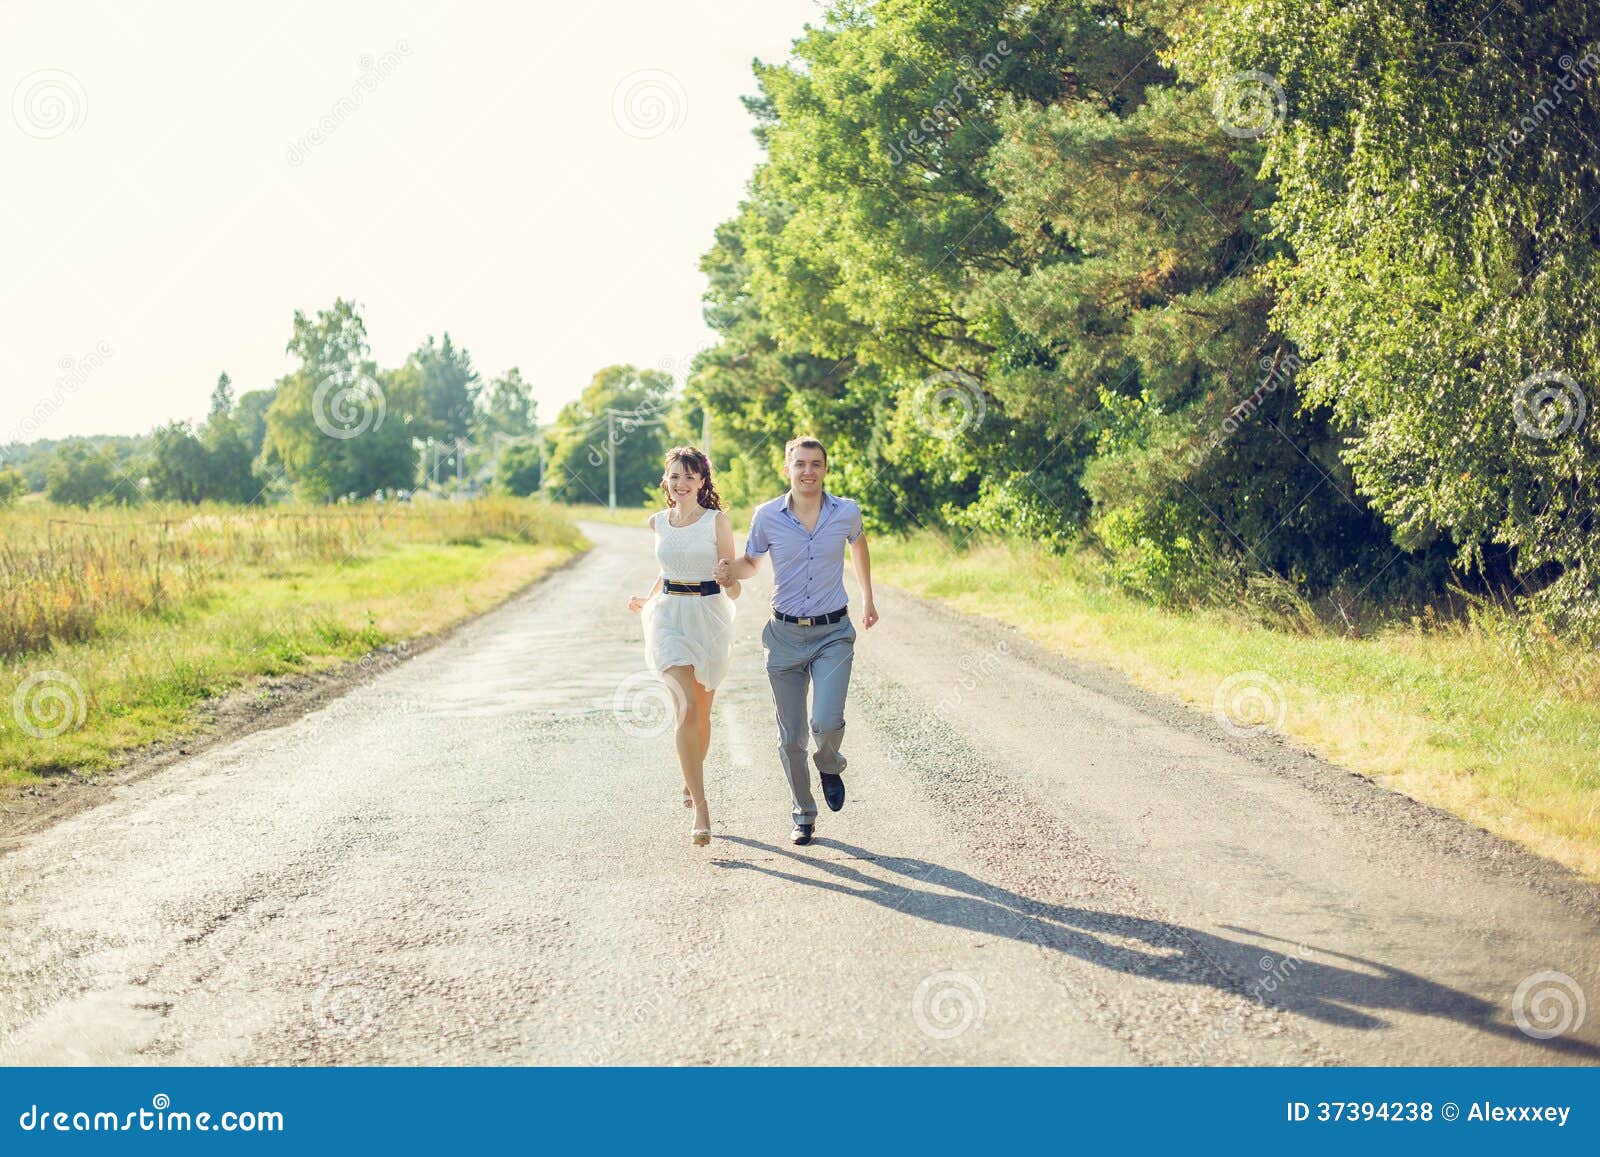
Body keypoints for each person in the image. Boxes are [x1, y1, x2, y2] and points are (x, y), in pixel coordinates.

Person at [713, 436, 878, 846]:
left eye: (815, 464)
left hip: (833, 633)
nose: (808, 471)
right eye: (800, 464)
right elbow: (752, 563)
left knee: (825, 722)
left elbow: (859, 545)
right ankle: (803, 814)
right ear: (787, 468)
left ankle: (829, 763)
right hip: (784, 636)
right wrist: (729, 571)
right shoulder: (767, 515)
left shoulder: (846, 511)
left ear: (825, 469)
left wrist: (868, 597)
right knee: (790, 738)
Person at [628, 446, 740, 847]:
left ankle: (690, 777)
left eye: (690, 476)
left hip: (708, 616)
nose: (681, 483)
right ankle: (702, 808)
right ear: (666, 480)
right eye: (675, 476)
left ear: (702, 481)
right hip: (668, 617)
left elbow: (734, 583)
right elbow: (666, 569)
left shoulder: (716, 521)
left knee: (703, 715)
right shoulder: (657, 521)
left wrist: (729, 579)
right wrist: (647, 597)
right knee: (686, 708)